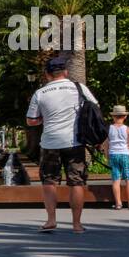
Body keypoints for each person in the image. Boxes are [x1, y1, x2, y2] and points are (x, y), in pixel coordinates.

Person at [25, 56, 98, 233]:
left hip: (50, 143)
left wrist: (44, 118)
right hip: (75, 142)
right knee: (77, 182)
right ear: (65, 72)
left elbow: (31, 121)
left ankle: (51, 220)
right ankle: (77, 225)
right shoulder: (79, 88)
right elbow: (95, 107)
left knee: (49, 182)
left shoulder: (40, 93)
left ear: (47, 74)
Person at [106, 105, 129, 210]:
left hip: (113, 154)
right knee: (128, 179)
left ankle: (118, 203)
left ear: (113, 117)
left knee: (116, 179)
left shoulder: (109, 129)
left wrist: (107, 156)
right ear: (125, 117)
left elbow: (106, 144)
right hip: (125, 154)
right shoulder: (127, 129)